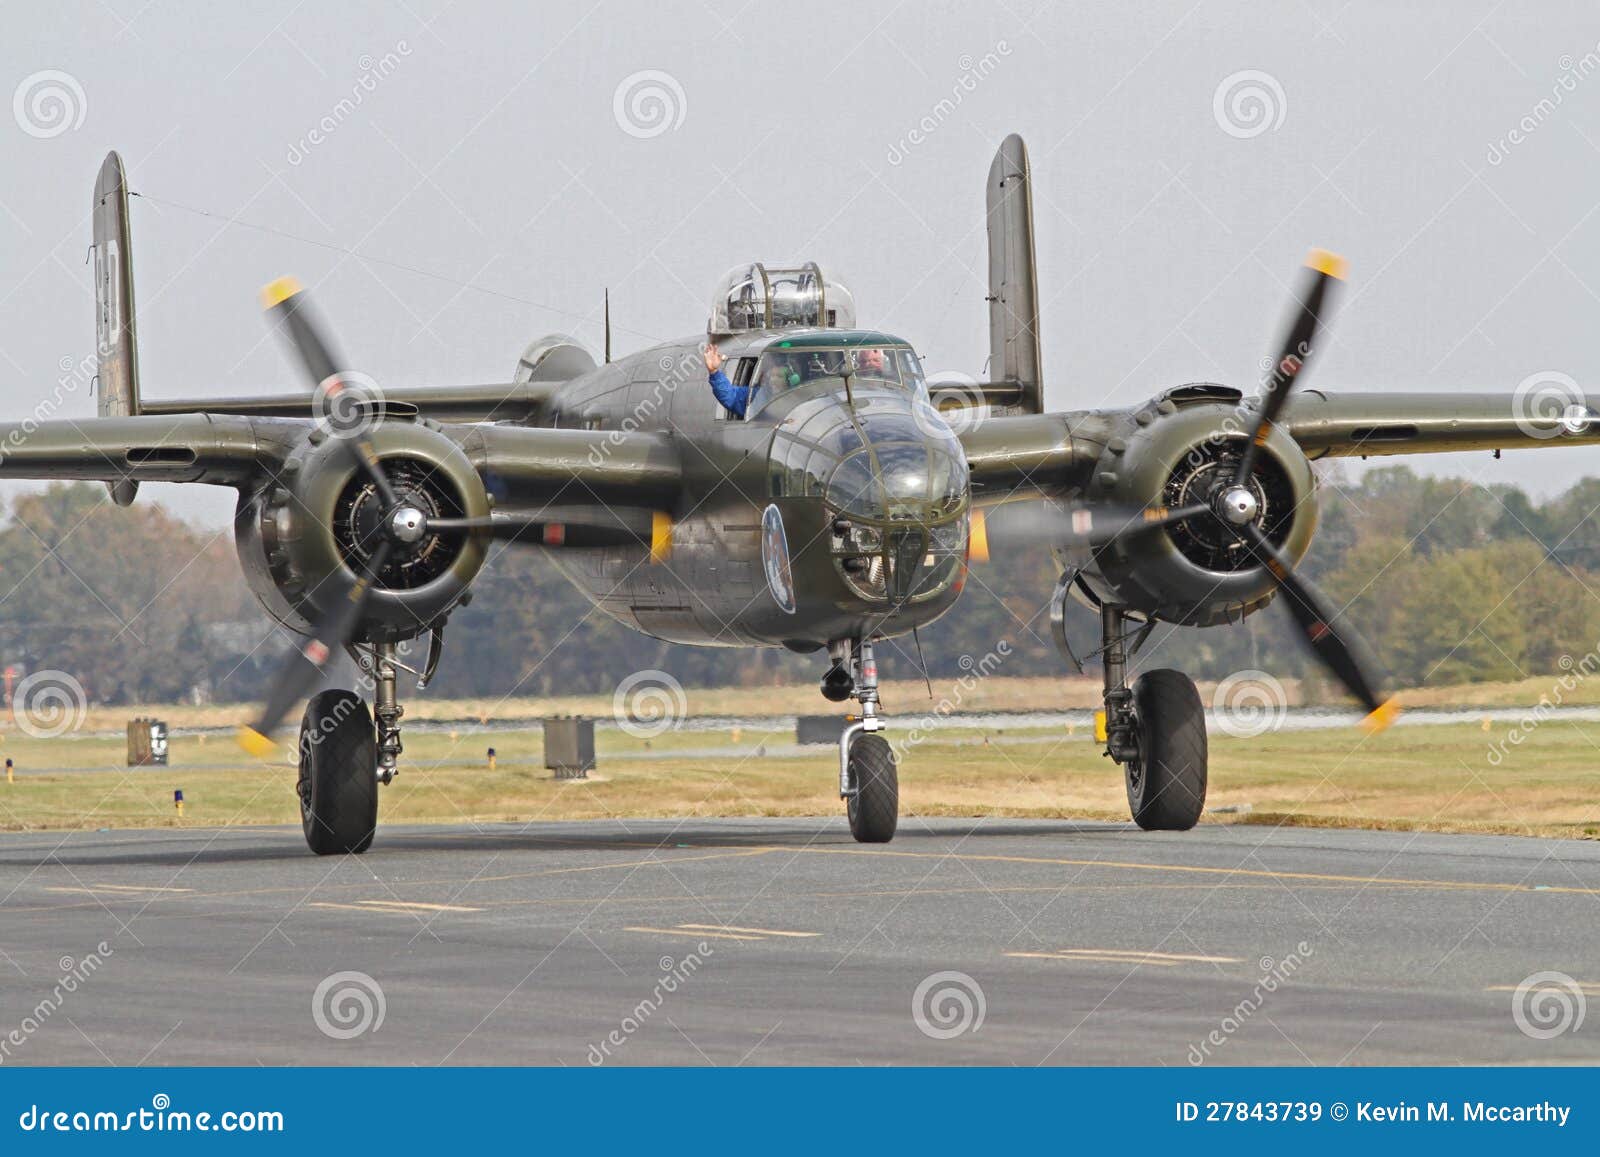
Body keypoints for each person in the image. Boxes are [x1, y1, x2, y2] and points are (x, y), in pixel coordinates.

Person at [703, 343, 753, 418]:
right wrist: (714, 372)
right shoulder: (758, 395)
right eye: (772, 375)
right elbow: (731, 396)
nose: (774, 378)